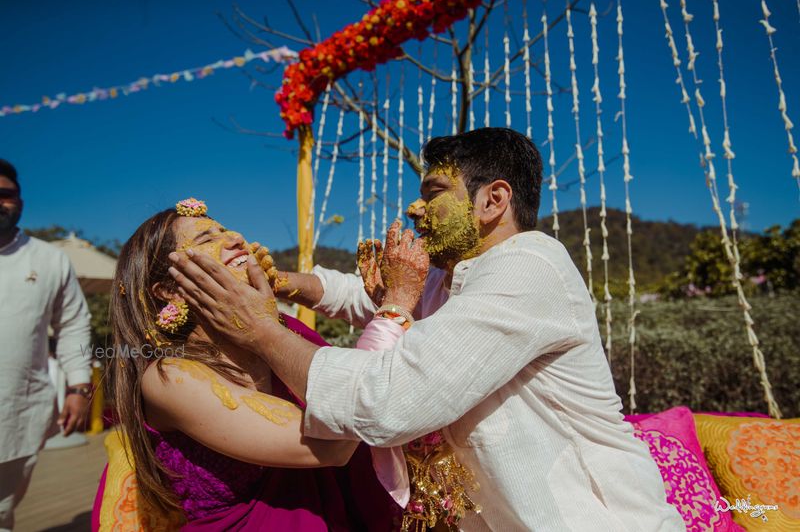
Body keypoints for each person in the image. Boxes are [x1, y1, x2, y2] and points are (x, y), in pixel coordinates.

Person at [168, 128, 685, 530]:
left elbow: (388, 402)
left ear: (493, 201)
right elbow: (359, 295)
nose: (414, 208)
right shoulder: (451, 275)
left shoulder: (528, 266)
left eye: (433, 192)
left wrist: (260, 329)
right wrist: (278, 282)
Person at [104, 200, 399, 530]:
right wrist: (395, 308)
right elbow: (335, 444)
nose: (235, 238)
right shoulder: (169, 377)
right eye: (206, 239)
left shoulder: (282, 330)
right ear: (170, 291)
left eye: (225, 230)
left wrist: (267, 318)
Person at [0, 159, 93, 532]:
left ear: (20, 202)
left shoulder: (50, 260)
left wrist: (79, 386)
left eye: (5, 194)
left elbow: (73, 323)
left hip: (15, 415)